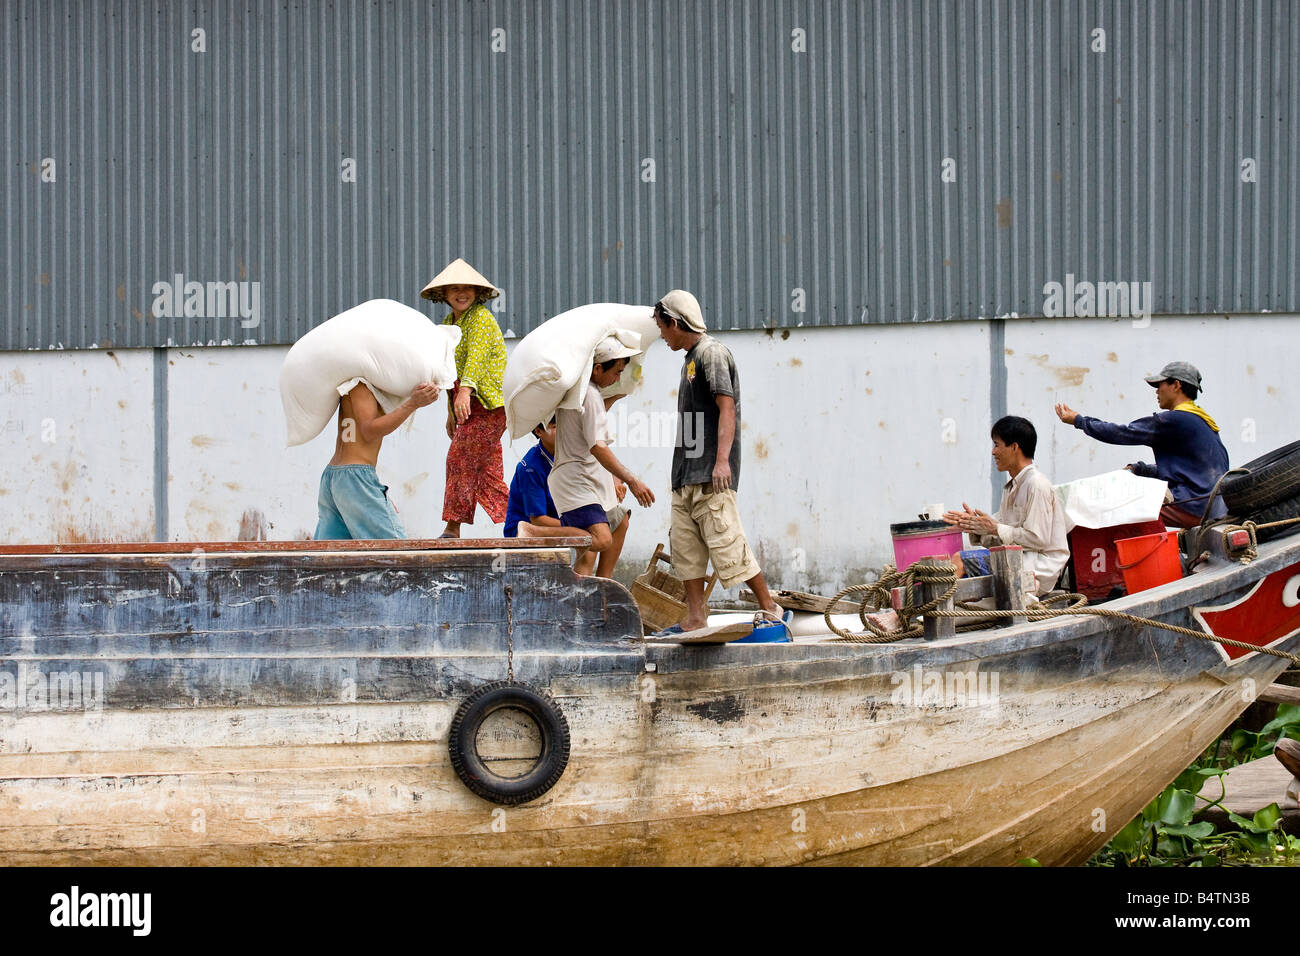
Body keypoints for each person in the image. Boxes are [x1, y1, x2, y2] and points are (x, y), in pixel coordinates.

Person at [653, 290, 786, 632]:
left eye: (662, 327)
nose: (662, 334)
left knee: (728, 543)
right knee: (686, 552)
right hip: (686, 475)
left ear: (675, 322)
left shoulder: (711, 354)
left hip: (711, 474)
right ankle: (697, 615)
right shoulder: (690, 359)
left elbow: (727, 406)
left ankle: (771, 607)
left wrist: (722, 461)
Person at [516, 335, 654, 577]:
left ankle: (601, 585)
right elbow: (597, 446)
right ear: (598, 368)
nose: (617, 378)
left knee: (618, 522)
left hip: (582, 479)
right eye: (616, 372)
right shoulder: (588, 395)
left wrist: (617, 395)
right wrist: (631, 480)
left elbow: (590, 418)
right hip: (576, 481)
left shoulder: (581, 391)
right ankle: (533, 532)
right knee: (599, 540)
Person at [1053, 361, 1230, 526]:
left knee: (1118, 509)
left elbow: (1122, 433)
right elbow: (1186, 471)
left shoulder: (1174, 420)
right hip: (1211, 506)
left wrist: (1079, 421)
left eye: (1159, 385)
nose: (1156, 391)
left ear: (1176, 385)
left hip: (1193, 505)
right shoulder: (1202, 421)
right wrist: (1140, 469)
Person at [420, 258, 510, 538]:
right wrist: (451, 409)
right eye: (454, 289)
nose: (461, 293)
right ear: (444, 295)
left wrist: (465, 391)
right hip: (467, 404)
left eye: (467, 288)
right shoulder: (448, 323)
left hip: (489, 405)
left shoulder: (481, 318)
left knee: (459, 459)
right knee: (487, 472)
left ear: (477, 292)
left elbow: (476, 360)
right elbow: (449, 369)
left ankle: (452, 528)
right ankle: (521, 523)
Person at [944, 415, 1069, 600]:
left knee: (960, 560)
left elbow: (1037, 539)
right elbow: (1004, 538)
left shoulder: (1036, 485)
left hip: (1036, 568)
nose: (993, 452)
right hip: (1015, 560)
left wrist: (994, 528)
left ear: (1014, 447)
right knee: (947, 566)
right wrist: (976, 526)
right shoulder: (1012, 487)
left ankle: (920, 617)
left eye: (997, 444)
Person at [314, 380, 440, 540]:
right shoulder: (361, 384)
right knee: (396, 551)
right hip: (355, 479)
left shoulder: (353, 384)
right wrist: (412, 404)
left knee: (331, 555)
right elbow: (368, 430)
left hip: (337, 478)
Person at [504, 419, 559, 538]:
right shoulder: (530, 467)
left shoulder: (569, 455)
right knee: (588, 533)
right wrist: (575, 525)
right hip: (527, 528)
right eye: (555, 427)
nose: (563, 431)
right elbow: (538, 519)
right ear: (539, 431)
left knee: (606, 522)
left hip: (558, 522)